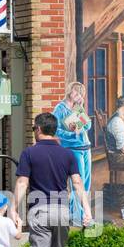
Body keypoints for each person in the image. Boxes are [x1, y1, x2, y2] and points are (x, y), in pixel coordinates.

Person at [15, 113, 91, 247]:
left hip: (40, 211)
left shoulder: (29, 153)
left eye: (33, 129)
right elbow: (77, 184)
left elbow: (22, 183)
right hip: (62, 211)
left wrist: (13, 208)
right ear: (55, 130)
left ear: (38, 129)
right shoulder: (68, 155)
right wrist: (87, 210)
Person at [52, 82, 92, 226]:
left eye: (80, 93)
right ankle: (77, 217)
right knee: (77, 183)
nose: (77, 95)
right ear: (70, 91)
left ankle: (82, 214)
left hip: (85, 147)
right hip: (73, 149)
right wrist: (72, 134)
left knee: (86, 183)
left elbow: (88, 125)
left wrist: (80, 110)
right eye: (76, 92)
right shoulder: (60, 108)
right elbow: (55, 130)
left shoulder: (76, 107)